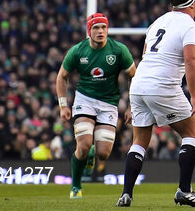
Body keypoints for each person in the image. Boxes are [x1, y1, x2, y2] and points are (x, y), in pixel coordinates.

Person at [116, 0, 195, 208]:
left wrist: (130, 103)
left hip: (139, 85)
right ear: (194, 2)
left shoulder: (158, 21)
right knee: (192, 133)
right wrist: (194, 96)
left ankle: (126, 194)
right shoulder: (191, 27)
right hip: (163, 85)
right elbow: (191, 60)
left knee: (139, 141)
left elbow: (146, 57)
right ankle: (184, 190)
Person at [56, 13, 136, 199]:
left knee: (103, 153)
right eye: (96, 28)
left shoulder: (119, 50)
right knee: (83, 145)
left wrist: (133, 106)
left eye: (103, 27)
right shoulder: (77, 51)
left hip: (109, 103)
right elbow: (62, 76)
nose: (100, 31)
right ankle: (76, 186)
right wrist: (63, 105)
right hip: (85, 100)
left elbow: (134, 76)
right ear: (89, 31)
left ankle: (92, 154)